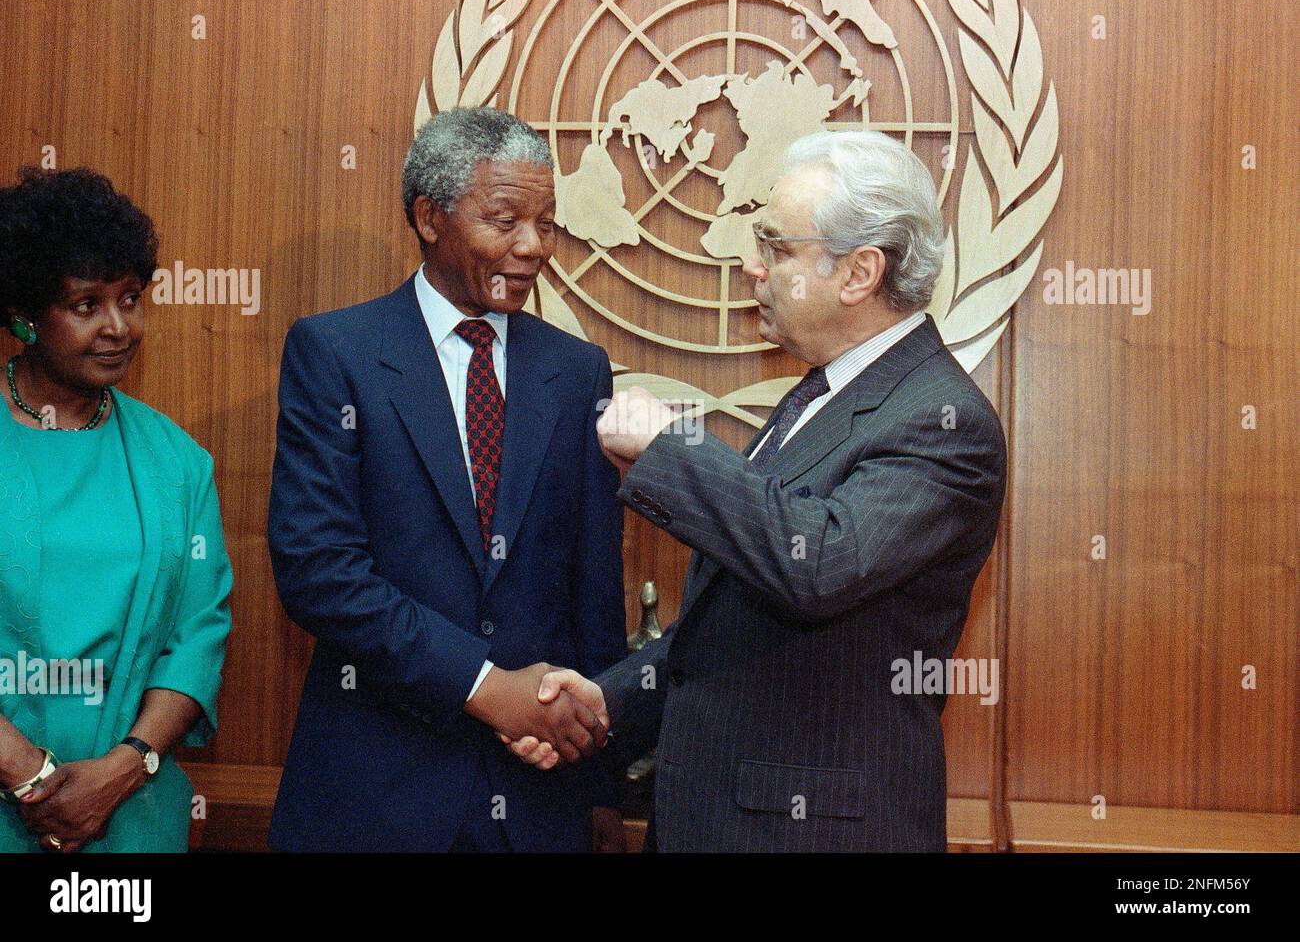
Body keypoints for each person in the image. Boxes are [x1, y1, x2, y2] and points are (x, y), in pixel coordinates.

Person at [505, 130, 1008, 852]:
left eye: (776, 248)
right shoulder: (824, 392)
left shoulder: (941, 421)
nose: (751, 268)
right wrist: (611, 702)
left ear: (859, 272)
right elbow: (741, 614)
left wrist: (669, 448)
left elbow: (815, 566)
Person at [267, 107, 627, 852]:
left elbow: (595, 592)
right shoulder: (335, 352)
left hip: (538, 800)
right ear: (430, 217)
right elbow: (319, 572)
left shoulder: (578, 369)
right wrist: (490, 688)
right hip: (376, 795)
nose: (532, 247)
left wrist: (600, 785)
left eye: (546, 223)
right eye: (505, 220)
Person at [0, 167, 232, 852]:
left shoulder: (177, 462)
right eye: (86, 304)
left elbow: (197, 640)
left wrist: (121, 769)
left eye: (130, 298)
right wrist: (29, 772)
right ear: (26, 313)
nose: (118, 326)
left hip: (130, 811)